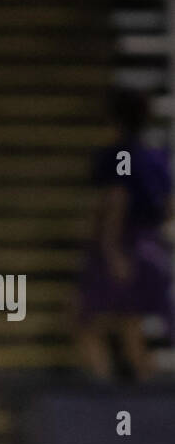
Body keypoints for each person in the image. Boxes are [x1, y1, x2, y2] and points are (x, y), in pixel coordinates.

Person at [78, 87, 173, 382]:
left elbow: (117, 201)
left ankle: (110, 400)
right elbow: (169, 207)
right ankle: (143, 404)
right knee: (130, 327)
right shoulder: (158, 157)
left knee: (83, 321)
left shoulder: (118, 155)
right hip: (151, 247)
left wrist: (111, 250)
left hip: (123, 246)